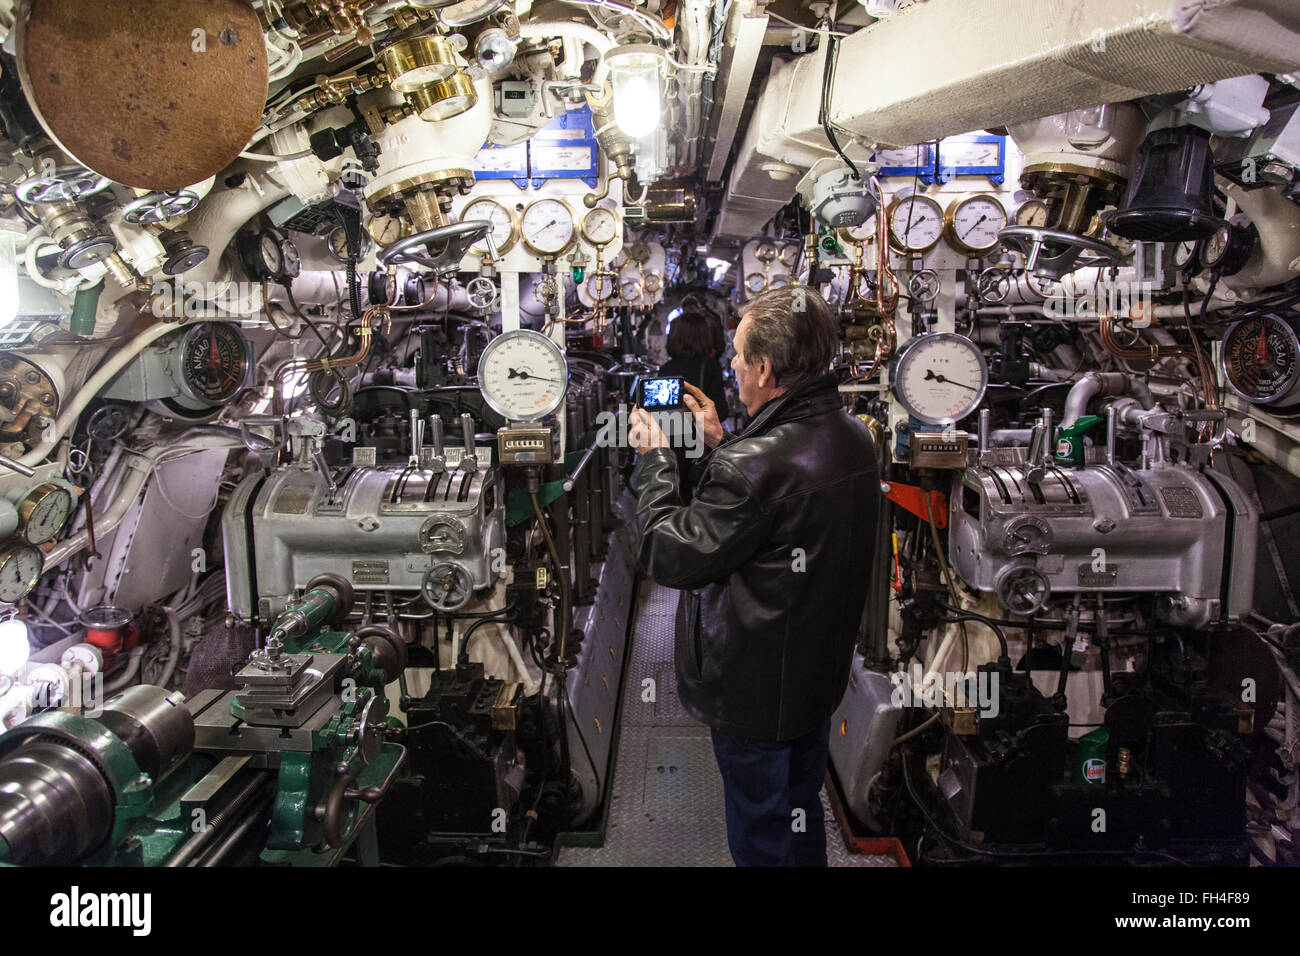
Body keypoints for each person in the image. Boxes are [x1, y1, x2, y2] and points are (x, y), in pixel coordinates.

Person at [628, 285, 879, 867]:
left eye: (739, 356)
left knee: (762, 831)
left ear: (765, 370)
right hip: (813, 681)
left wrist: (655, 459)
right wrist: (726, 439)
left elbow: (670, 553)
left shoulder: (755, 464)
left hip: (754, 689)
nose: (732, 365)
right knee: (799, 807)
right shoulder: (853, 436)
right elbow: (780, 507)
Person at [656, 310, 731, 490]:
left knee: (677, 494)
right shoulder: (710, 366)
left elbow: (660, 415)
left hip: (673, 446)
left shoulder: (666, 370)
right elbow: (721, 409)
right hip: (701, 444)